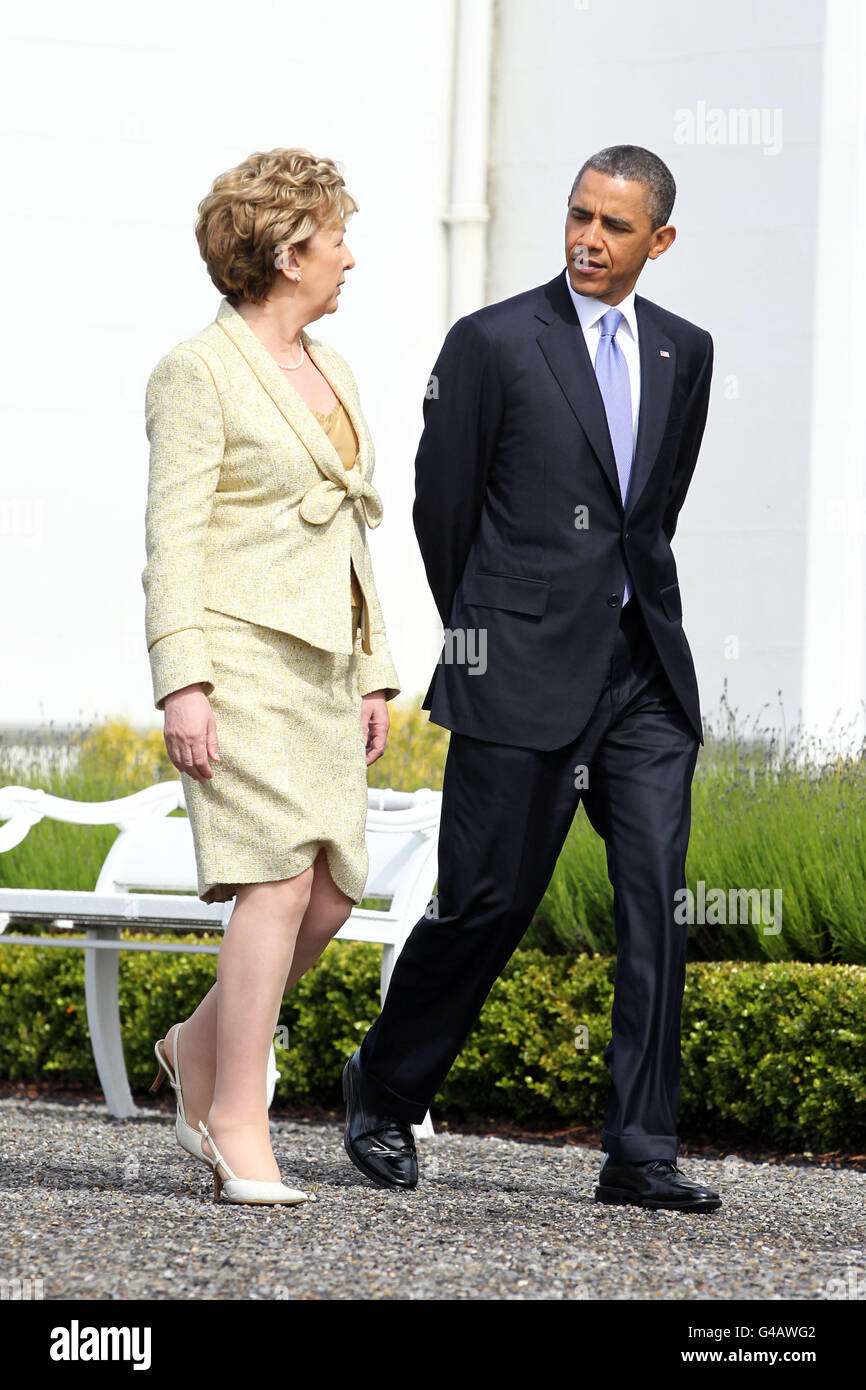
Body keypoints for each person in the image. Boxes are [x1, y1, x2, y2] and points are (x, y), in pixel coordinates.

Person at [343, 145, 721, 1214]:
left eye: (612, 225)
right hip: (515, 667)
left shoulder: (682, 353)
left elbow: (654, 512)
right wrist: (499, 622)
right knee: (485, 900)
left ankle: (638, 1151)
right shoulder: (494, 342)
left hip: (641, 672)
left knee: (655, 904)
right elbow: (442, 506)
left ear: (659, 240)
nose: (586, 241)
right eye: (577, 216)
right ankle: (384, 1086)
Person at [142, 147, 400, 1207]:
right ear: (290, 252)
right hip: (236, 654)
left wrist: (374, 669)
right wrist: (182, 682)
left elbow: (347, 527)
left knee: (331, 894)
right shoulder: (193, 371)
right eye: (335, 237)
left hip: (323, 668)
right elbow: (172, 538)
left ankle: (197, 1048)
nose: (350, 256)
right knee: (275, 878)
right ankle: (234, 1118)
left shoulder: (332, 368)